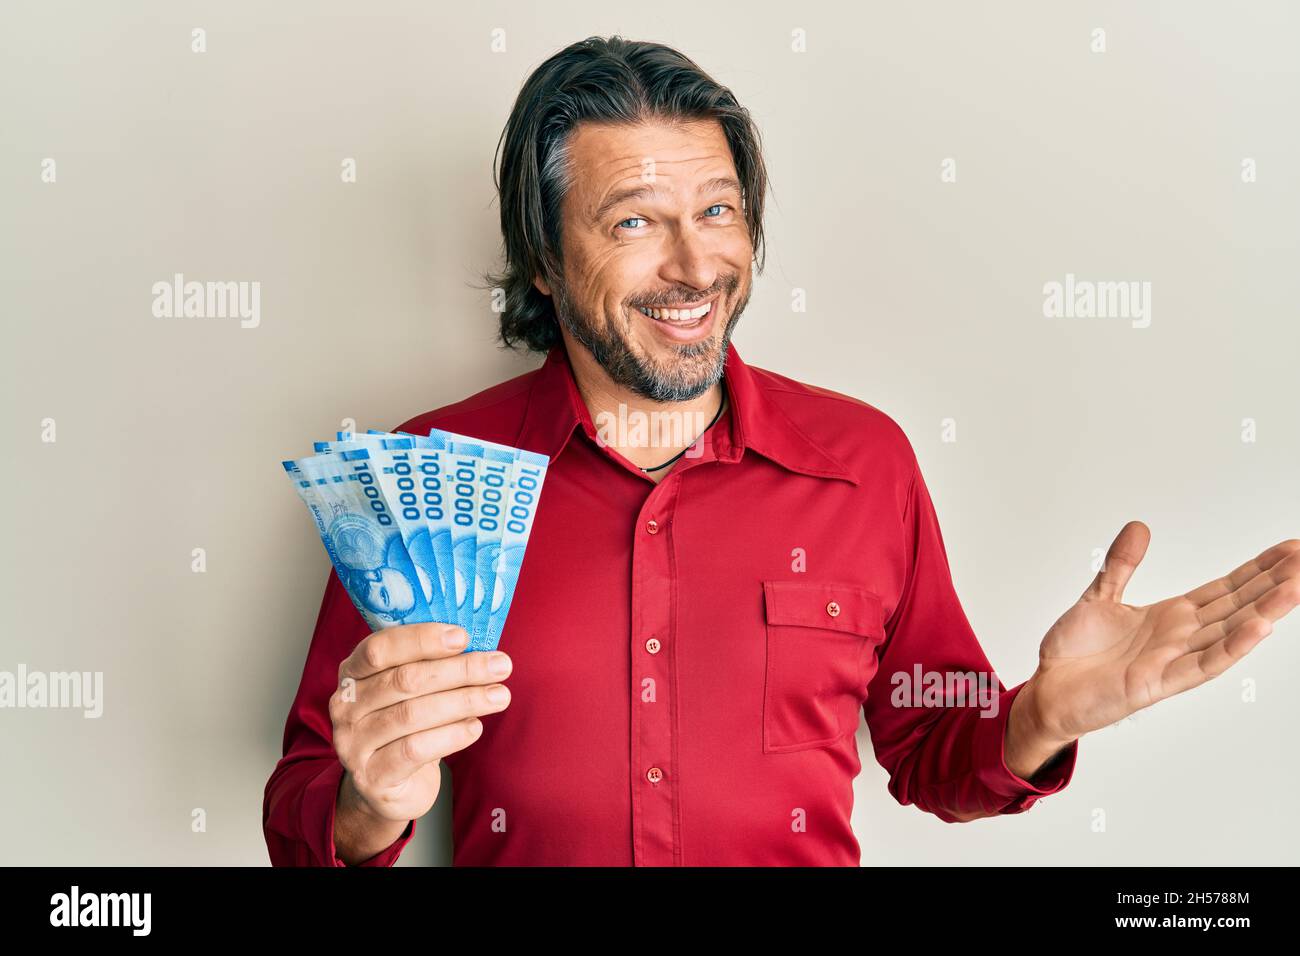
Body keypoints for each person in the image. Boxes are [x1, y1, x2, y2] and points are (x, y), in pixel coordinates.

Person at [262, 35, 1300, 866]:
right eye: (633, 221)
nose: (692, 264)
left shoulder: (866, 463)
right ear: (542, 258)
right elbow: (302, 806)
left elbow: (933, 751)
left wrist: (1035, 719)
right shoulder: (424, 477)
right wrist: (365, 803)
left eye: (717, 211)